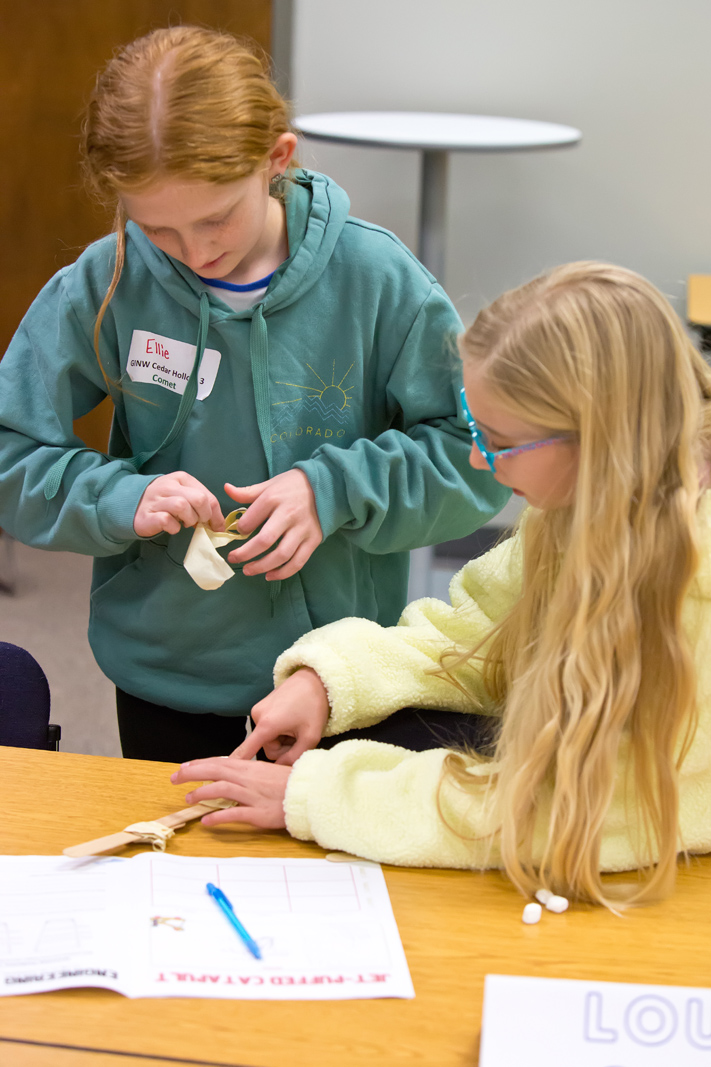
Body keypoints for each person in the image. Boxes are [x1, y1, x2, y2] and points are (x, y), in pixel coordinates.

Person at [0, 27, 508, 762]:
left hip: (336, 674)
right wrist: (119, 499)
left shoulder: (376, 281)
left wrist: (330, 489)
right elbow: (14, 449)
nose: (197, 252)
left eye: (216, 218)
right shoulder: (105, 281)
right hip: (168, 670)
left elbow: (479, 451)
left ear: (277, 158)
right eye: (159, 229)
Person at [172, 262, 711, 909]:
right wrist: (329, 677)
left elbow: (590, 811)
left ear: (596, 439)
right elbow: (475, 633)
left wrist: (324, 798)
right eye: (471, 423)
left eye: (501, 441)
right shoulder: (591, 507)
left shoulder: (689, 593)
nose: (480, 459)